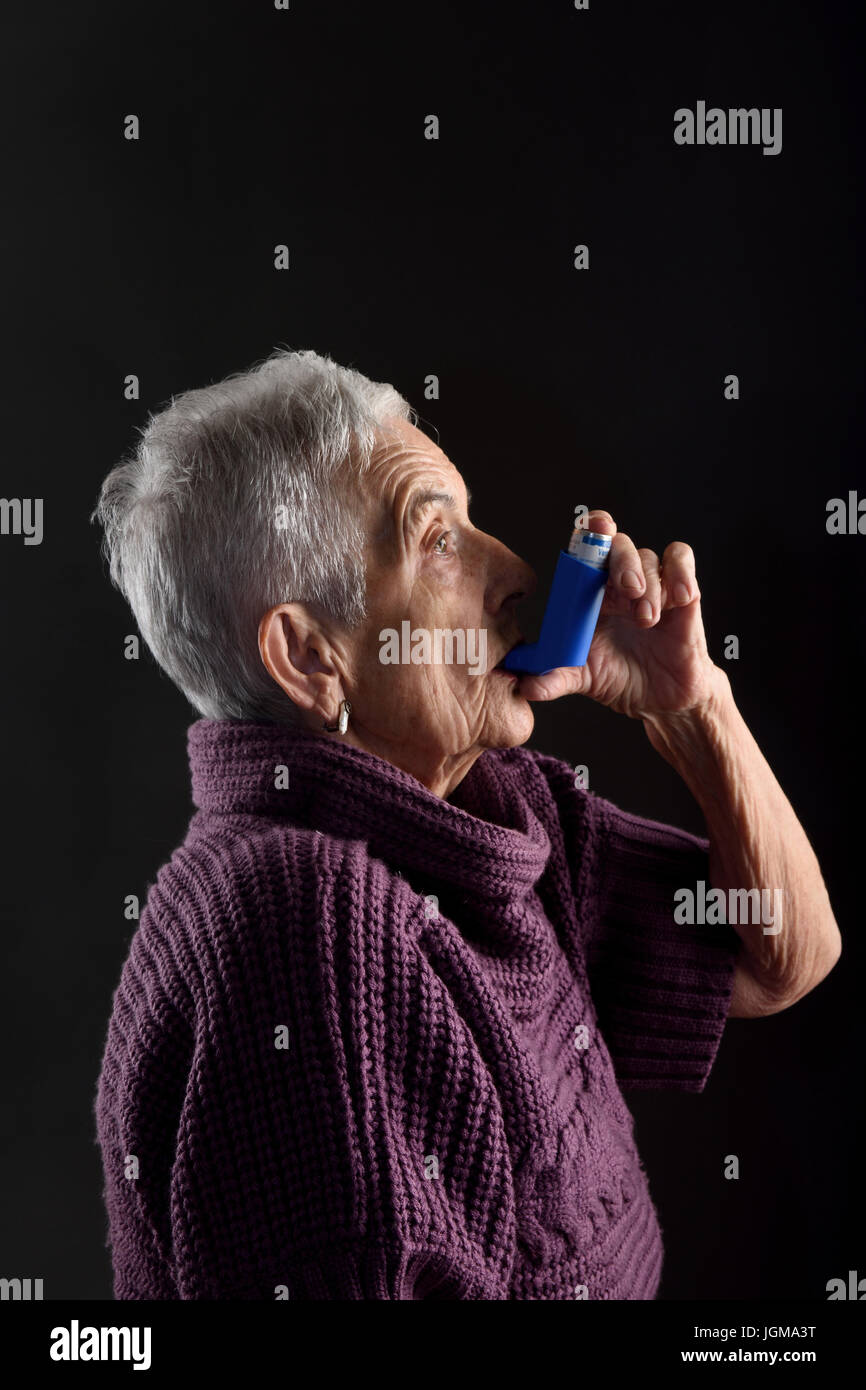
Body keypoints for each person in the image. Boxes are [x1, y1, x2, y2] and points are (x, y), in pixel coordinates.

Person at [92, 347, 840, 1299]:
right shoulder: (311, 924)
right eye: (438, 540)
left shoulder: (491, 809)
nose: (519, 573)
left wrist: (695, 710)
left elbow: (780, 961)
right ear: (310, 657)